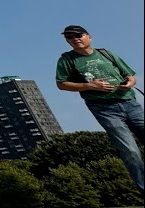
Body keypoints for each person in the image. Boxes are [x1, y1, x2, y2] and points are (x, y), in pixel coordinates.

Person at [55, 24, 144, 191]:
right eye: (69, 37)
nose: (75, 39)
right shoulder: (66, 60)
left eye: (78, 35)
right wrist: (89, 85)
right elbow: (62, 84)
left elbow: (130, 75)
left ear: (89, 36)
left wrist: (129, 83)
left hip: (130, 103)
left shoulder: (106, 53)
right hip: (104, 109)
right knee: (130, 151)